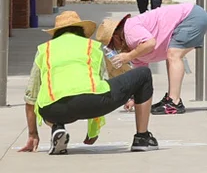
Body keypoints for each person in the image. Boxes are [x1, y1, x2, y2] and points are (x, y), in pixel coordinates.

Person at [21, 11, 156, 154]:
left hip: (53, 110)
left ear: (56, 33)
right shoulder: (92, 46)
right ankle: (142, 138)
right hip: (92, 103)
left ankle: (57, 128)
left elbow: (31, 97)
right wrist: (93, 131)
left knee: (49, 97)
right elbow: (99, 84)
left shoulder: (44, 49)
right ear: (82, 30)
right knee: (143, 74)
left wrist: (32, 134)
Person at [103, 0, 207, 119]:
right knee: (172, 55)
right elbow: (142, 76)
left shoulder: (129, 31)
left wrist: (128, 56)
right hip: (193, 16)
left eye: (113, 46)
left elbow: (150, 43)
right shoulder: (135, 49)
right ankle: (171, 99)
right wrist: (135, 98)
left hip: (191, 17)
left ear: (116, 37)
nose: (116, 50)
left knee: (174, 55)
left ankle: (174, 102)